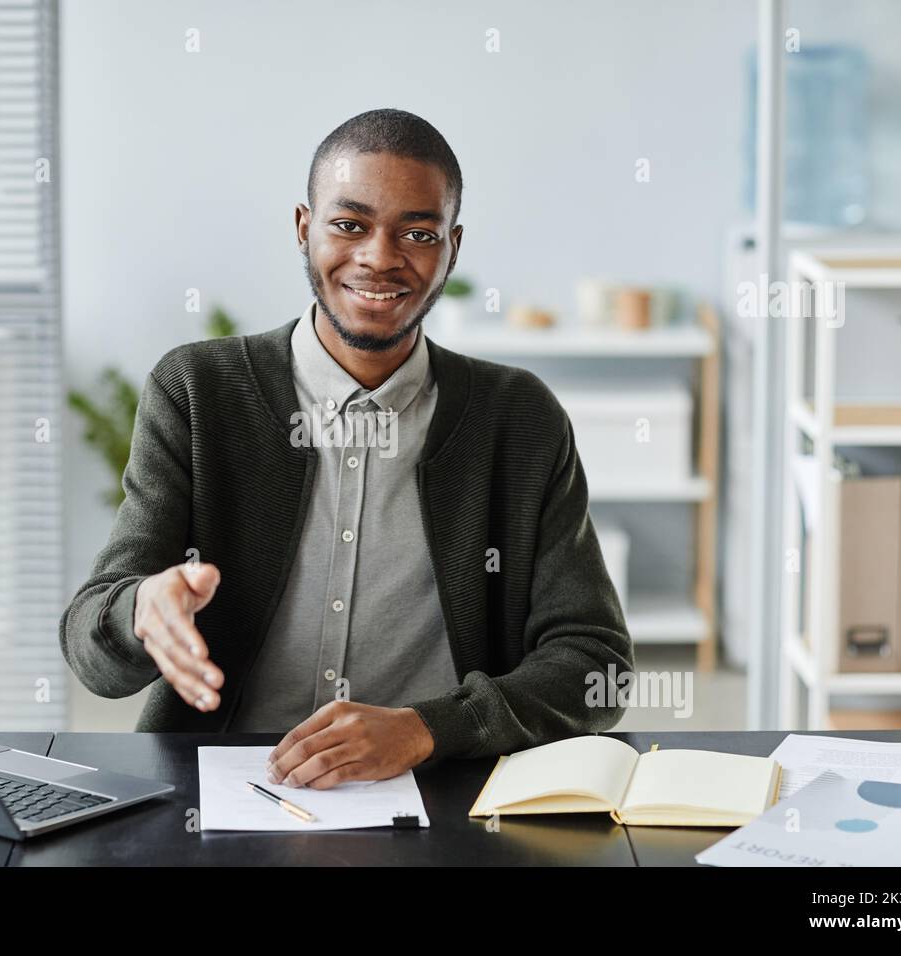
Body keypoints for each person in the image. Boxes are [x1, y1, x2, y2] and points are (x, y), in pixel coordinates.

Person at [61, 108, 634, 790]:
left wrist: (429, 727)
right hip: (219, 792)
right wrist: (140, 612)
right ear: (304, 229)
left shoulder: (519, 418)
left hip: (441, 791)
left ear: (452, 248)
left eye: (418, 233)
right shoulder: (196, 391)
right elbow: (91, 654)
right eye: (349, 224)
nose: (380, 257)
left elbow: (595, 664)